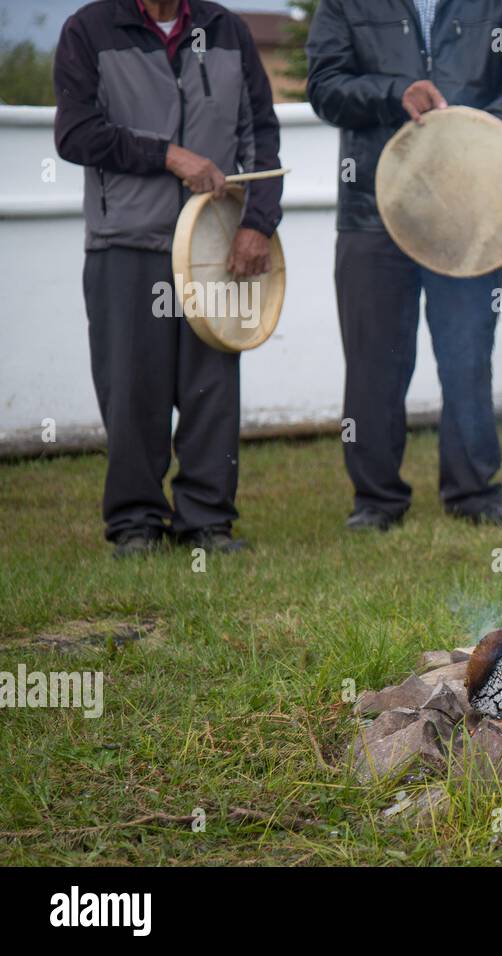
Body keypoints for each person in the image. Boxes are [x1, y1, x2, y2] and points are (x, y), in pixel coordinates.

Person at [306, 0, 502, 530]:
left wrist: (466, 137)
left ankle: (473, 492)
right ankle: (376, 499)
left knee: (468, 354)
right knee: (374, 362)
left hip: (473, 212)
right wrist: (396, 95)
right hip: (372, 210)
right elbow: (324, 87)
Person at [54, 0, 282, 558]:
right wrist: (168, 156)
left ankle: (207, 522)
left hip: (215, 242)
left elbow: (263, 137)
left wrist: (257, 223)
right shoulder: (88, 30)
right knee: (132, 388)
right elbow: (76, 134)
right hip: (126, 243)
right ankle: (135, 522)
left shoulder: (228, 30)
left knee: (213, 387)